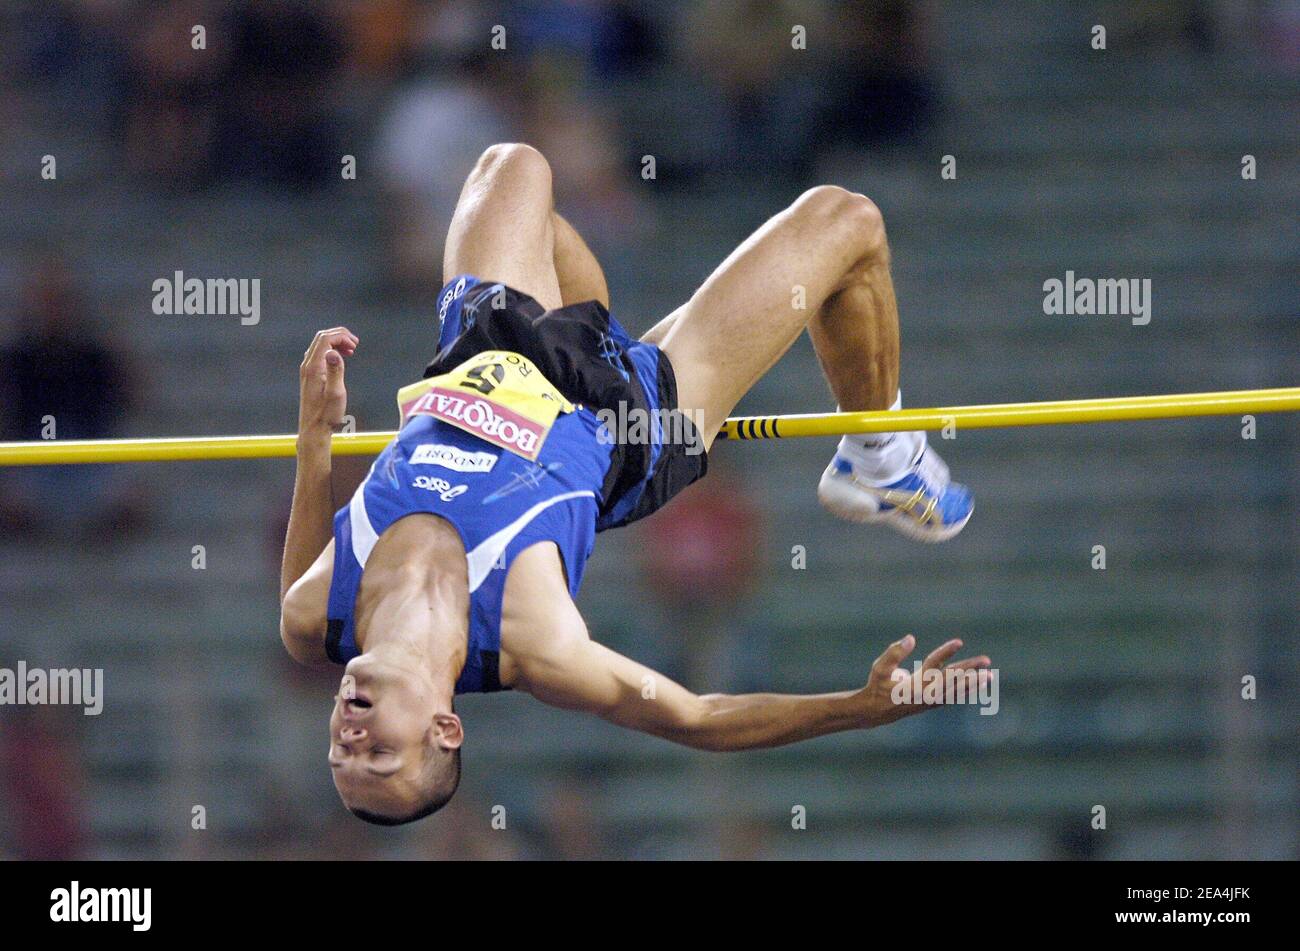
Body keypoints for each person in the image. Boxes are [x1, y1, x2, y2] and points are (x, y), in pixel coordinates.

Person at [278, 143, 983, 825]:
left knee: (514, 166)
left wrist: (315, 441)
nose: (349, 742)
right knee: (846, 220)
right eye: (380, 758)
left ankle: (598, 330)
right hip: (626, 425)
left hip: (489, 348)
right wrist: (856, 707)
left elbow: (299, 576)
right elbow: (699, 716)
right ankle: (882, 455)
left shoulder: (314, 616)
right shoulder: (537, 640)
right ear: (445, 727)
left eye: (340, 757)